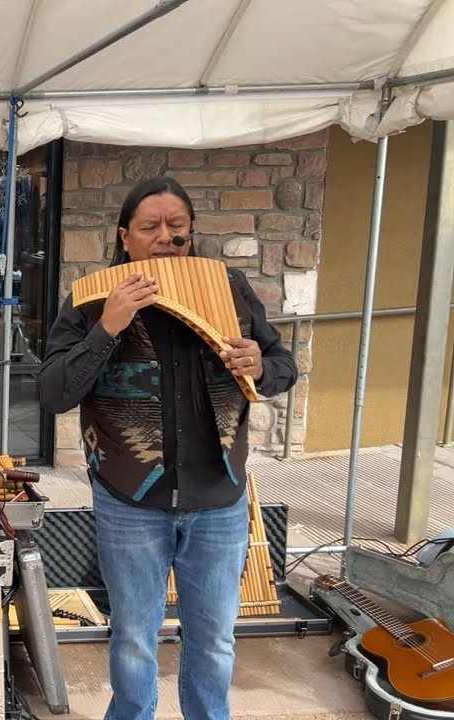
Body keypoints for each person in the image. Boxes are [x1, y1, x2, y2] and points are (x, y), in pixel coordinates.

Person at [38, 176, 296, 720]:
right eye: (150, 227)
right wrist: (108, 327)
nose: (165, 237)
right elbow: (55, 391)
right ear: (124, 237)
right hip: (130, 498)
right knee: (133, 637)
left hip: (218, 498)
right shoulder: (89, 301)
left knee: (214, 641)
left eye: (176, 227)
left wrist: (262, 366)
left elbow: (283, 366)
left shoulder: (229, 288)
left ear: (191, 232)